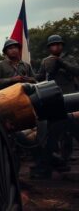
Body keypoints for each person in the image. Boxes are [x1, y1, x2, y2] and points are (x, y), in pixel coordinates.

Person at [31, 35, 79, 179]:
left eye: (59, 45)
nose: (56, 47)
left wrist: (61, 62)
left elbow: (76, 71)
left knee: (71, 128)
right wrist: (30, 78)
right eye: (53, 45)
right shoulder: (46, 61)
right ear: (49, 47)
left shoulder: (68, 58)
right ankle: (57, 158)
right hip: (54, 97)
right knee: (56, 128)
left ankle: (67, 155)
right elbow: (40, 76)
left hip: (70, 95)